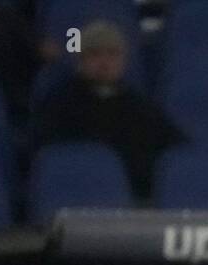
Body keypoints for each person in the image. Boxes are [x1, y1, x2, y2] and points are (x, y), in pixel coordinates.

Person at [31, 20, 184, 201]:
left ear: (123, 60)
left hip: (135, 207)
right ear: (81, 60)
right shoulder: (59, 104)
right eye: (95, 54)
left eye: (112, 54)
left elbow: (175, 146)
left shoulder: (140, 107)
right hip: (76, 200)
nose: (104, 62)